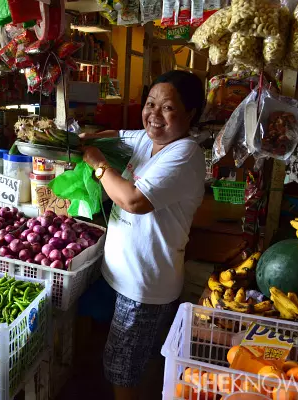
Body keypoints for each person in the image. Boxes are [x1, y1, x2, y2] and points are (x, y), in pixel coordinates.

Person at [80, 70, 206, 399]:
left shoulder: (185, 153)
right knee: (133, 359)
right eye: (150, 104)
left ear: (191, 114)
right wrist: (80, 138)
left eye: (167, 108)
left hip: (144, 287)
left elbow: (134, 201)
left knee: (125, 370)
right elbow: (113, 135)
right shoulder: (146, 140)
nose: (154, 114)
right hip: (120, 276)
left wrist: (98, 164)